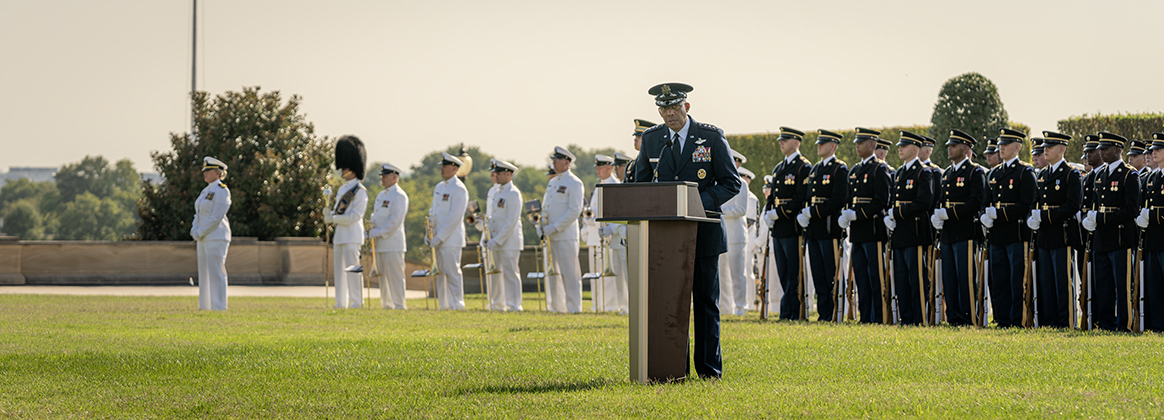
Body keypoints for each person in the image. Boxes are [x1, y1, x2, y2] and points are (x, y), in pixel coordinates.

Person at [634, 82, 740, 379]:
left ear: (687, 107)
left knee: (705, 304)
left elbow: (731, 182)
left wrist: (695, 204)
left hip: (703, 234)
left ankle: (709, 372)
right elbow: (641, 185)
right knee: (671, 305)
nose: (669, 113)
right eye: (663, 108)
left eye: (674, 107)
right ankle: (673, 369)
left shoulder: (710, 137)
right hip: (665, 239)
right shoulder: (652, 140)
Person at [1083, 132, 1140, 331]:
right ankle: (1105, 324)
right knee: (1103, 285)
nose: (1101, 152)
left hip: (1121, 238)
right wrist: (1090, 218)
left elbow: (1131, 210)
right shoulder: (1099, 174)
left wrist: (1101, 218)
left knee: (1122, 287)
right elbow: (1095, 204)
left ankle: (1124, 324)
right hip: (1101, 239)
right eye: (1100, 148)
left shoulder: (1129, 174)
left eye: (1105, 148)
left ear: (1118, 150)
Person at [981, 128, 1037, 328]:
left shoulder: (1024, 171)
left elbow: (1026, 204)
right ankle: (1002, 319)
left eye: (1005, 145)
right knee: (999, 280)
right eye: (1000, 145)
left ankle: (1018, 319)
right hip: (997, 236)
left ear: (1017, 147)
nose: (1000, 149)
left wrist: (1000, 213)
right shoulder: (994, 173)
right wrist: (984, 216)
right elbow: (986, 201)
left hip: (1016, 234)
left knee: (1017, 281)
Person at [931, 129, 987, 326]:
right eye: (949, 145)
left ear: (965, 148)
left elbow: (975, 202)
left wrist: (949, 213)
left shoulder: (974, 172)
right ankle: (953, 317)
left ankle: (968, 316)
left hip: (965, 233)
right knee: (950, 278)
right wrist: (937, 215)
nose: (949, 149)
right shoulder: (947, 173)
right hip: (948, 235)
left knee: (965, 278)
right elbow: (941, 200)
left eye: (953, 146)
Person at [1027, 131, 1082, 328]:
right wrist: (1031, 217)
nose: (1045, 151)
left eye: (1049, 148)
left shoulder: (1071, 174)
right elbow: (1035, 202)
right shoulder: (1042, 175)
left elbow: (1072, 206)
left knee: (1062, 281)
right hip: (1044, 236)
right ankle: (1047, 322)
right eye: (1045, 148)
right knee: (1045, 281)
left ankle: (1065, 321)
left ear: (1061, 149)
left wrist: (1044, 216)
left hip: (1062, 235)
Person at [841, 128, 893, 324]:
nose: (857, 145)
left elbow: (882, 201)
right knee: (861, 277)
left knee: (875, 278)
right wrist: (845, 214)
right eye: (856, 142)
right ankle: (865, 317)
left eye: (861, 142)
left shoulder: (879, 169)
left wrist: (858, 214)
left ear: (872, 145)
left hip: (873, 230)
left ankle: (878, 317)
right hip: (857, 233)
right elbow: (849, 198)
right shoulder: (854, 171)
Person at [798, 130, 849, 322]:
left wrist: (814, 211)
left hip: (830, 229)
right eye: (818, 143)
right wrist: (805, 212)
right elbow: (808, 196)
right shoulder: (815, 169)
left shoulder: (839, 169)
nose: (818, 146)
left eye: (823, 143)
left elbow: (838, 200)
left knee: (832, 274)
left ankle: (836, 312)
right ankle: (824, 313)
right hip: (815, 230)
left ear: (833, 146)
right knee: (818, 275)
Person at [883, 131, 934, 325]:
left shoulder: (923, 172)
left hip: (915, 232)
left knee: (917, 279)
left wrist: (897, 213)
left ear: (915, 149)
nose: (899, 149)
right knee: (902, 279)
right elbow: (893, 201)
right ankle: (906, 318)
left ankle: (920, 318)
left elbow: (923, 202)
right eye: (899, 146)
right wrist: (889, 214)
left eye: (903, 146)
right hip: (900, 233)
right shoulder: (900, 173)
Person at [764, 127, 811, 320]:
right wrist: (768, 212)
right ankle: (787, 310)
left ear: (796, 142)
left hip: (792, 227)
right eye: (781, 140)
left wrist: (778, 213)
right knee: (783, 272)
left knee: (794, 271)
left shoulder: (803, 167)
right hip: (779, 229)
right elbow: (772, 196)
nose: (781, 143)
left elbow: (801, 198)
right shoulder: (779, 168)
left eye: (786, 140)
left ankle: (793, 311)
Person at [325, 136, 369, 309]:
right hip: (340, 236)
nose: (342, 171)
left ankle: (356, 301)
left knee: (352, 270)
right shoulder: (342, 189)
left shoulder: (359, 191)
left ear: (353, 169)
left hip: (352, 235)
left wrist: (333, 219)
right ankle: (340, 301)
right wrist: (328, 213)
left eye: (345, 168)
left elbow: (354, 217)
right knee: (339, 271)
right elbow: (338, 210)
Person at [542, 146, 584, 313]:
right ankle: (556, 307)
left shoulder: (574, 182)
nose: (553, 162)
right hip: (550, 236)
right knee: (553, 274)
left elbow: (574, 210)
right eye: (553, 160)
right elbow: (546, 208)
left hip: (565, 235)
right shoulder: (553, 182)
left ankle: (574, 307)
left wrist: (555, 226)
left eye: (556, 160)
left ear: (566, 162)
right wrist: (542, 226)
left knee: (570, 274)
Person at [429, 152, 469, 310]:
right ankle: (443, 304)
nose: (442, 169)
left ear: (454, 168)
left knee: (452, 271)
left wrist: (440, 237)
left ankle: (457, 304)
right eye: (442, 166)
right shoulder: (439, 187)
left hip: (450, 239)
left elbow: (455, 217)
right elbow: (433, 212)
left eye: (445, 166)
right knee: (440, 272)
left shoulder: (459, 189)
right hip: (437, 236)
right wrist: (430, 233)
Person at [483, 159, 525, 311]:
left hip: (509, 241)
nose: (496, 175)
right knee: (496, 274)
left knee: (510, 274)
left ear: (508, 174)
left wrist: (498, 239)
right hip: (495, 240)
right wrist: (488, 237)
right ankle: (498, 304)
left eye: (499, 173)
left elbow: (511, 221)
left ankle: (514, 305)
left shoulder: (513, 193)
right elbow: (493, 218)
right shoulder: (498, 192)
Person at [192, 156, 232, 311]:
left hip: (216, 236)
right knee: (204, 272)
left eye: (208, 171)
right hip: (203, 238)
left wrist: (200, 231)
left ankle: (219, 307)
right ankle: (205, 306)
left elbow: (217, 216)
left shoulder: (222, 190)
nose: (205, 173)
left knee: (216, 272)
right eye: (204, 171)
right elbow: (198, 213)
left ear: (217, 173)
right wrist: (194, 229)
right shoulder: (205, 191)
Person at [369, 163, 409, 309]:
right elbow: (376, 215)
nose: (383, 179)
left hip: (393, 243)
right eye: (382, 176)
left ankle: (399, 304)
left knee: (396, 276)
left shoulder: (399, 195)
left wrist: (380, 232)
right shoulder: (381, 195)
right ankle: (387, 304)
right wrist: (370, 227)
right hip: (380, 243)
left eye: (385, 176)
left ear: (395, 177)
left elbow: (395, 220)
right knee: (383, 276)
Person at [586, 154, 621, 311]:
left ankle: (610, 305)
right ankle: (597, 304)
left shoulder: (614, 184)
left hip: (608, 235)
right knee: (596, 273)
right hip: (595, 234)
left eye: (601, 168)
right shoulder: (599, 184)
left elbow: (615, 212)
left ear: (609, 168)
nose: (598, 171)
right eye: (597, 168)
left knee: (609, 273)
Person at [719, 149, 751, 315]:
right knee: (722, 274)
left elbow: (740, 209)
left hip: (736, 236)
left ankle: (740, 306)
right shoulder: (718, 181)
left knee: (738, 274)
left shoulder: (741, 183)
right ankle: (725, 306)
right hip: (723, 235)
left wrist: (720, 210)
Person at [1138, 132, 1164, 332]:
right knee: (1154, 287)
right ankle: (1157, 326)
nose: (1152, 152)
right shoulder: (1152, 177)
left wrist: (1153, 215)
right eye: (1152, 149)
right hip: (1153, 240)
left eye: (1158, 149)